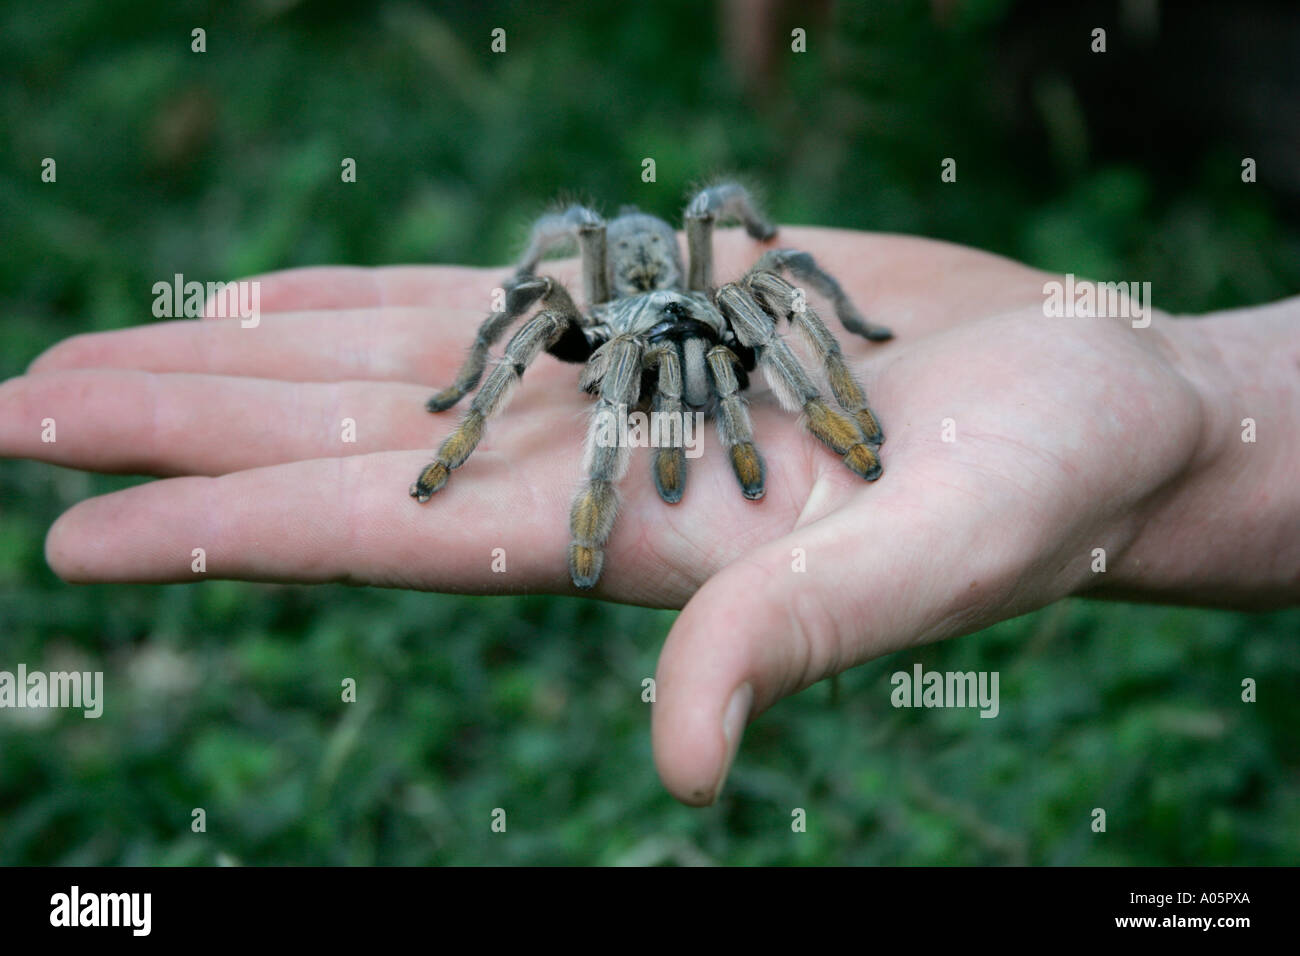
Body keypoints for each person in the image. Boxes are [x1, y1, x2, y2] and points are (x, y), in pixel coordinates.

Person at [2, 227, 1296, 806]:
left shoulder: (736, 303)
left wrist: (844, 406)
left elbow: (780, 299)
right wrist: (469, 411)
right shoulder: (589, 317)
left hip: (703, 313)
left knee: (775, 294)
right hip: (624, 320)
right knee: (607, 343)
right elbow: (546, 291)